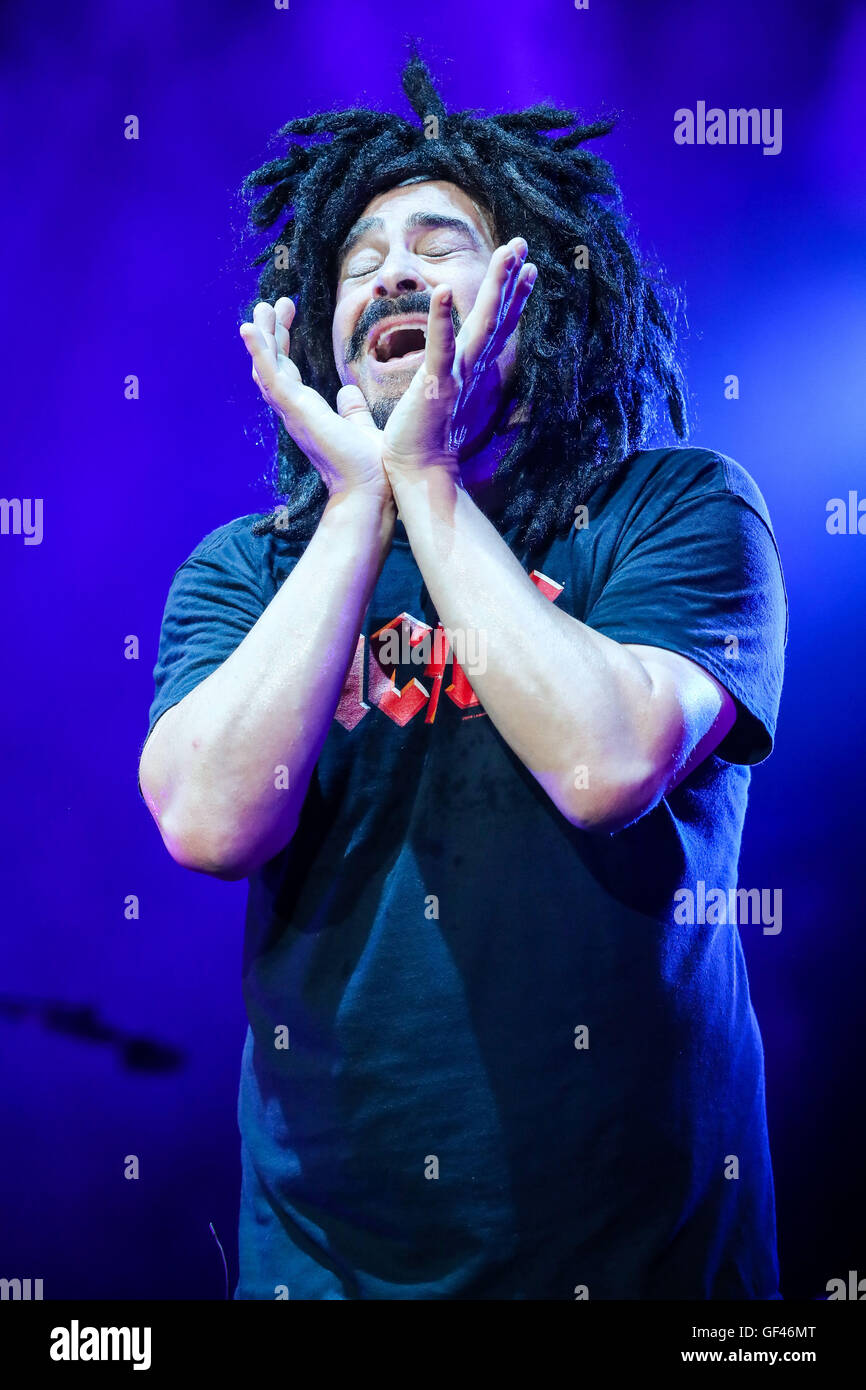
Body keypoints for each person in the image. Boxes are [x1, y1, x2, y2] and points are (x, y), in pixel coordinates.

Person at [139, 56, 788, 1300]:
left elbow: (604, 764)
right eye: (359, 258)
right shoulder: (250, 568)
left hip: (640, 1265)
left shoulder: (675, 509)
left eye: (438, 243)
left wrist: (425, 481)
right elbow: (210, 821)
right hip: (325, 1267)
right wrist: (357, 507)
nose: (389, 270)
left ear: (527, 290)